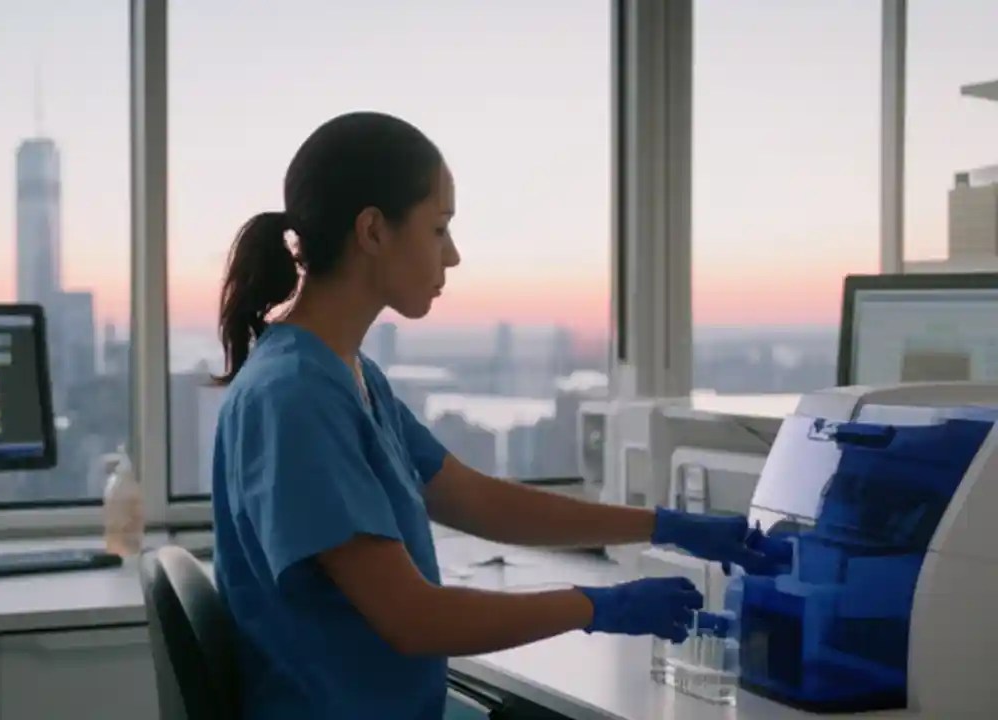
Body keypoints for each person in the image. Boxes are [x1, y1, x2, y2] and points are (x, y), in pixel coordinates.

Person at [209, 111, 773, 720]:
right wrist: (597, 606)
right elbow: (415, 619)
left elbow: (474, 498)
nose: (452, 255)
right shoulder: (295, 396)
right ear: (373, 231)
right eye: (439, 228)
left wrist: (662, 525)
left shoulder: (346, 374)